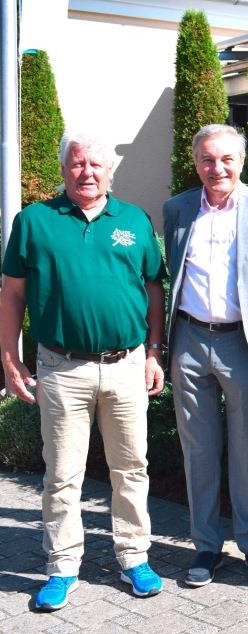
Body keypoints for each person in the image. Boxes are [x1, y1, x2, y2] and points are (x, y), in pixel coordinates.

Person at [0, 133, 167, 610]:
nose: (87, 172)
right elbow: (11, 293)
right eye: (77, 164)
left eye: (95, 164)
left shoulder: (134, 220)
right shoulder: (34, 221)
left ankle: (134, 557)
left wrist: (154, 352)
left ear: (110, 171)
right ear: (64, 169)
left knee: (131, 468)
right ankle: (62, 567)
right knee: (62, 474)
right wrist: (10, 359)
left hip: (126, 366)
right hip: (61, 368)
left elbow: (153, 288)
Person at [163, 124, 248, 587]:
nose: (216, 168)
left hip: (242, 342)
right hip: (189, 339)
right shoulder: (177, 209)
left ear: (241, 161)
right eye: (207, 159)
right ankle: (206, 546)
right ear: (196, 162)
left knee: (246, 449)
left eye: (225, 159)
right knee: (197, 450)